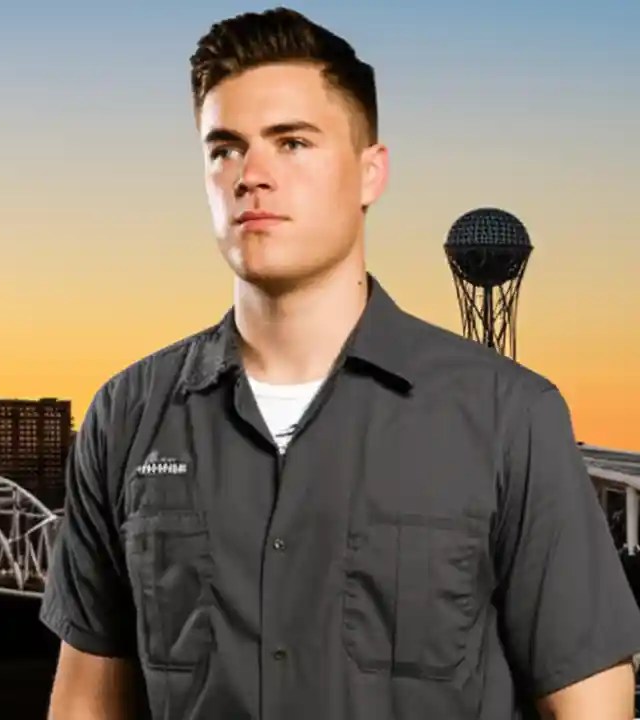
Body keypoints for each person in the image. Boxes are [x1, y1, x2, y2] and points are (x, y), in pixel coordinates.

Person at [39, 6, 640, 719]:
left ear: (369, 173)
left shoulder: (509, 417)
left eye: (291, 143)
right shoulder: (127, 415)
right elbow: (85, 701)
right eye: (224, 148)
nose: (251, 175)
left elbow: (591, 706)